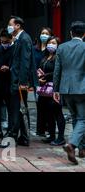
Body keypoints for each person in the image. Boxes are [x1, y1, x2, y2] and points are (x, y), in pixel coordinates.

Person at [0, 16, 38, 148]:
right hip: (16, 79)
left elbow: (25, 62)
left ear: (17, 26)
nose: (9, 27)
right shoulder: (19, 39)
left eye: (11, 24)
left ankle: (12, 137)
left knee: (16, 108)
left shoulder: (24, 39)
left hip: (18, 81)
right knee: (20, 109)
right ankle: (24, 137)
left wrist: (22, 81)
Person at [53, 21, 85, 165]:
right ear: (84, 34)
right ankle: (72, 145)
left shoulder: (62, 47)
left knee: (76, 117)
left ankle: (81, 148)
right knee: (83, 119)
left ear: (71, 33)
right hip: (82, 88)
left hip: (66, 88)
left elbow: (57, 70)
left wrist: (55, 89)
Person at [37, 36, 65, 146]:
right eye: (49, 42)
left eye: (54, 43)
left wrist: (45, 76)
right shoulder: (45, 57)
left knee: (57, 113)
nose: (51, 45)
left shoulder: (59, 57)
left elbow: (58, 72)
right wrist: (39, 77)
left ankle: (61, 137)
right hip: (44, 89)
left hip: (54, 89)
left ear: (58, 45)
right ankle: (52, 135)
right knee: (48, 114)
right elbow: (39, 69)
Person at [34, 27, 53, 137]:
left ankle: (48, 128)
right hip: (37, 80)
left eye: (46, 33)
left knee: (49, 106)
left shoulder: (51, 50)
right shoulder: (34, 49)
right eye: (42, 33)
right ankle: (40, 128)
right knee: (39, 105)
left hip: (48, 81)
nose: (44, 35)